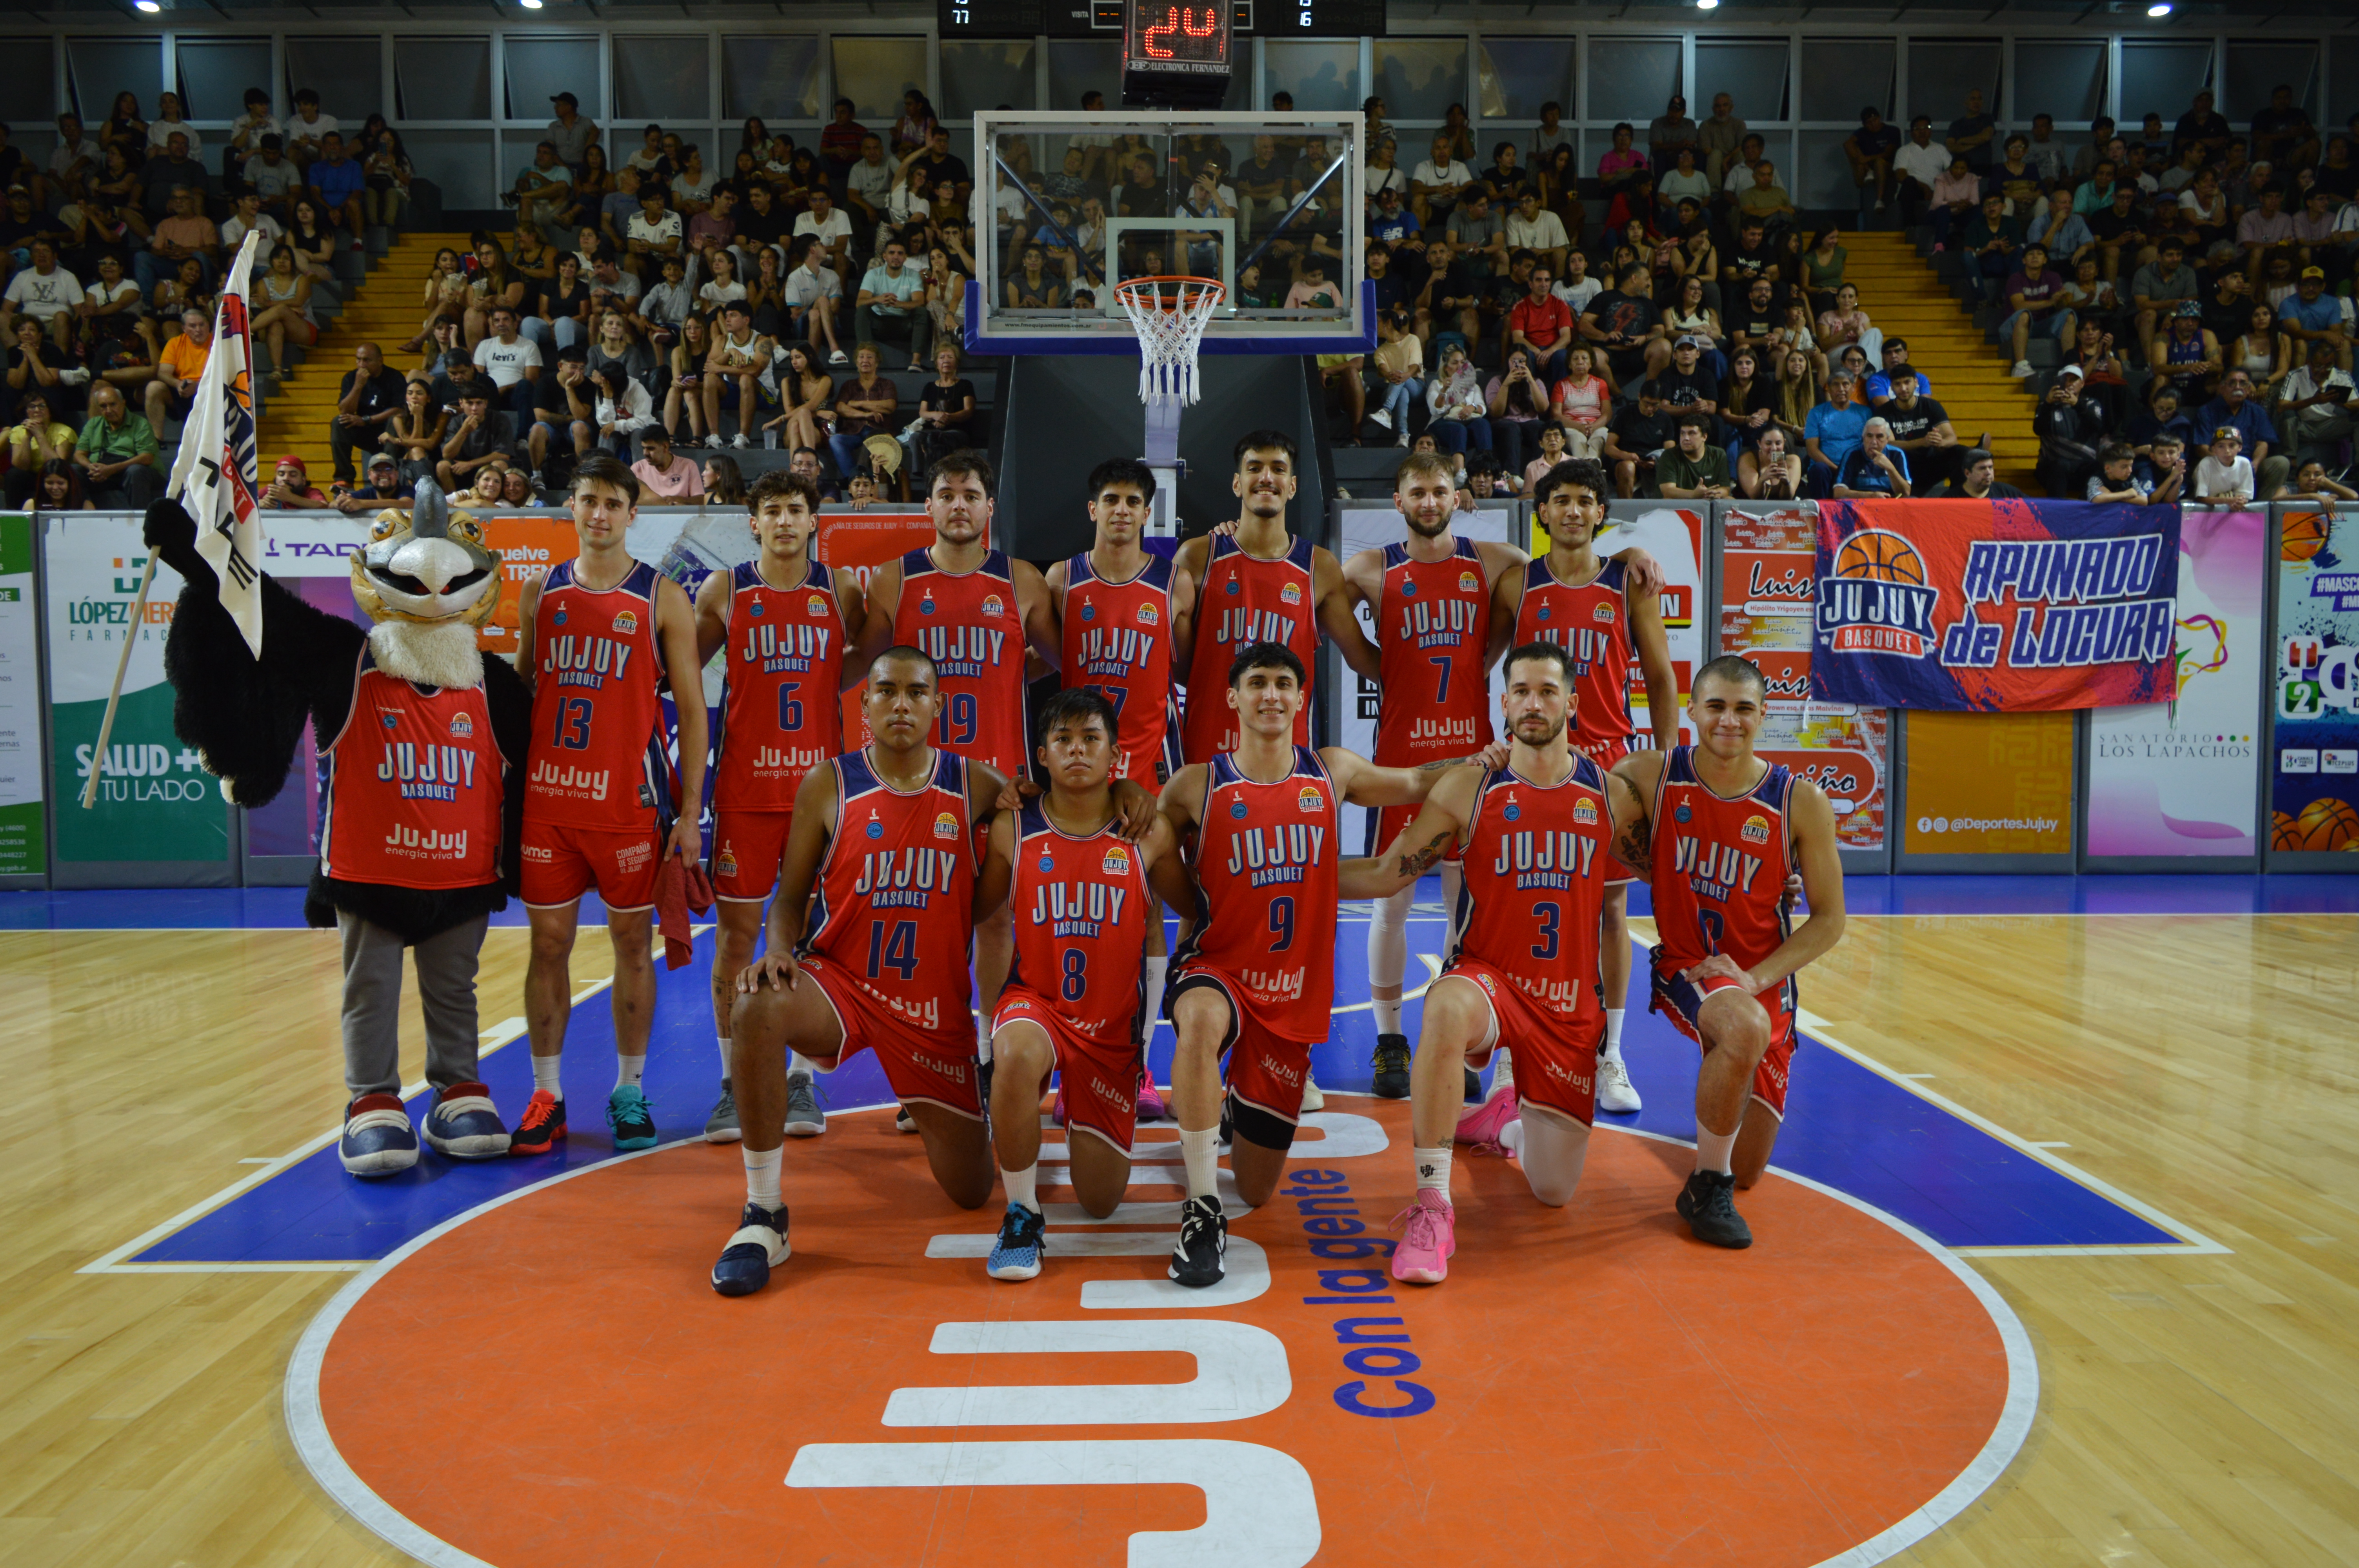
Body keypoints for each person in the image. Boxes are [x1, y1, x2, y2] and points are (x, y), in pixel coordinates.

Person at [1155, 641, 1470, 1287]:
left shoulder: (1332, 772)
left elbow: (1414, 783)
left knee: (1261, 1187)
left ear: (1301, 699)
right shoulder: (1195, 785)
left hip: (1291, 997)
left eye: (1283, 684)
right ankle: (1200, 1207)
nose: (1271, 694)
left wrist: (1487, 763)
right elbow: (1148, 841)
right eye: (1257, 684)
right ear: (1232, 699)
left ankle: (1239, 1107)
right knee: (1199, 1023)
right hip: (1217, 968)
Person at [712, 644, 1015, 1296]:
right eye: (886, 691)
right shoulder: (829, 782)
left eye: (915, 692)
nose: (900, 703)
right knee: (756, 1006)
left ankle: (937, 1098)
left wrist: (1126, 792)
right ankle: (764, 1213)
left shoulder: (979, 786)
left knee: (971, 1192)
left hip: (931, 1012)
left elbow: (1054, 818)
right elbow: (789, 898)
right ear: (866, 706)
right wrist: (778, 949)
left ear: (938, 706)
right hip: (842, 985)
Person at [1356, 639, 1652, 1281]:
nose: (1533, 703)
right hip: (1491, 984)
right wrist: (1293, 872)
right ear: (1503, 702)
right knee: (1444, 1005)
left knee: (1552, 1189)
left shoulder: (1611, 796)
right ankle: (1433, 1204)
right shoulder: (1473, 785)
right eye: (1520, 690)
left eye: (1548, 691)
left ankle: (1503, 1121)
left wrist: (1775, 888)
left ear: (1573, 703)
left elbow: (1675, 879)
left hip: (1570, 1012)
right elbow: (1389, 871)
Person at [1604, 657, 1844, 1248]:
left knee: (1753, 1171)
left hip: (1762, 975)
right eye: (1715, 706)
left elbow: (1831, 920)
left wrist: (1756, 975)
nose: (1728, 721)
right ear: (1692, 712)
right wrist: (1656, 871)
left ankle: (1724, 1150)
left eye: (1743, 709)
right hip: (1690, 963)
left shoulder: (1799, 801)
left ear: (1764, 715)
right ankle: (1703, 1185)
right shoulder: (1647, 776)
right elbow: (1584, 813)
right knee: (1740, 1026)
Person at [509, 455, 708, 1158]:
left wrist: (689, 816)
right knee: (549, 946)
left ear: (633, 513)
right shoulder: (542, 592)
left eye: (612, 503)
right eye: (587, 500)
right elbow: (521, 694)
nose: (599, 514)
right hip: (549, 808)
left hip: (628, 806)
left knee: (631, 946)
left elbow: (690, 709)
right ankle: (547, 1095)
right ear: (572, 507)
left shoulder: (661, 597)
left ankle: (628, 1090)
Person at [852, 450, 1061, 1078]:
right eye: (948, 494)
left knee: (997, 922)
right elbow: (869, 670)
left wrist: (1007, 679)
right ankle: (933, 1056)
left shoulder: (1020, 579)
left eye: (971, 494)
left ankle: (989, 1055)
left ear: (989, 507)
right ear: (930, 506)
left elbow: (1057, 658)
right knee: (928, 923)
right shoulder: (895, 578)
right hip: (921, 783)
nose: (960, 505)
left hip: (999, 784)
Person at [979, 687, 1190, 1279]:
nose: (1077, 750)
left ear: (1115, 755)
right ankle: (1022, 1213)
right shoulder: (1012, 830)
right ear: (1040, 756)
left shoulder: (1148, 833)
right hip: (1037, 1004)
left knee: (1101, 1202)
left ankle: (1077, 1100)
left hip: (1110, 1033)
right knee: (1015, 1054)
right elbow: (970, 913)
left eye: (1091, 739)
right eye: (1063, 740)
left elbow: (1196, 905)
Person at [1341, 452, 1533, 1099]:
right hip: (1400, 764)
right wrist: (1380, 667)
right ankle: (1390, 1041)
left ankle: (1452, 1040)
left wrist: (1626, 564)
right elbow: (1326, 608)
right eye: (1418, 492)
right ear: (1397, 501)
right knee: (1390, 901)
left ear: (1460, 497)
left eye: (1440, 491)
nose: (1430, 501)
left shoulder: (1495, 560)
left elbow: (1566, 570)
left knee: (1463, 910)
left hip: (1472, 763)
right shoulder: (1372, 568)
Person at [691, 468, 865, 1145]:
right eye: (773, 511)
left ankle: (799, 1078)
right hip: (744, 794)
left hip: (819, 800)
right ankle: (734, 1085)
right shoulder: (725, 589)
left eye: (797, 509)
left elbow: (858, 668)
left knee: (813, 940)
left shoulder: (840, 590)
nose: (786, 521)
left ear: (814, 520)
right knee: (738, 940)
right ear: (754, 522)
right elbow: (684, 669)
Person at [1041, 459, 1200, 1116]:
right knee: (1065, 915)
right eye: (1110, 499)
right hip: (1079, 767)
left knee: (1148, 916)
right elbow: (1053, 661)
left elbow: (1186, 664)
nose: (1122, 511)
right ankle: (1065, 1059)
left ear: (1147, 512)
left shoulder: (1174, 583)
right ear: (1092, 509)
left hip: (1146, 766)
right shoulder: (1062, 580)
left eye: (1134, 501)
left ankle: (1137, 1065)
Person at [1174, 430, 1377, 763]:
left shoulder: (1319, 567)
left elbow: (1361, 657)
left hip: (1288, 759)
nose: (1266, 478)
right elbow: (1181, 668)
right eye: (1254, 468)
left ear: (1293, 486)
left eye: (1278, 469)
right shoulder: (1197, 557)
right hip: (1208, 757)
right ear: (1237, 484)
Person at [2195, 369, 2290, 499]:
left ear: (2249, 388)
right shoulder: (2207, 411)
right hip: (2218, 466)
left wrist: (2255, 464)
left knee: (2280, 463)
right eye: (2232, 383)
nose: (2238, 387)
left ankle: (2262, 509)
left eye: (2243, 384)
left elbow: (2262, 444)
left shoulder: (2257, 411)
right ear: (2222, 387)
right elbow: (2202, 448)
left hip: (2249, 466)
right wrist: (2227, 464)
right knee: (2208, 464)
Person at [71, 382, 160, 508]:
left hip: (131, 472)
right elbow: (78, 454)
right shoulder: (93, 424)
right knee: (74, 471)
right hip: (100, 473)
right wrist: (92, 468)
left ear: (123, 402)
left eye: (113, 404)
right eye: (103, 406)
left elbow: (147, 457)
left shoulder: (140, 424)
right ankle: (81, 518)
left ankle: (140, 522)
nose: (109, 410)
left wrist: (111, 469)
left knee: (136, 471)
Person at [2275, 338, 2356, 466]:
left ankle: (2357, 468)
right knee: (2287, 416)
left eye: (2328, 366)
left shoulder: (2342, 376)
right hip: (2304, 426)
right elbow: (2281, 407)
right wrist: (2313, 401)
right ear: (2309, 363)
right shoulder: (2296, 375)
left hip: (2332, 426)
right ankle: (2292, 464)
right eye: (2318, 366)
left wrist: (2341, 403)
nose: (2323, 370)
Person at [144, 306, 210, 434]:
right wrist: (178, 384)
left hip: (209, 391)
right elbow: (163, 373)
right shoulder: (175, 343)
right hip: (182, 390)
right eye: (193, 326)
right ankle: (157, 440)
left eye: (202, 325)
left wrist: (197, 387)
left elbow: (224, 376)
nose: (198, 330)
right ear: (184, 329)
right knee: (154, 387)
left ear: (209, 326)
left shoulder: (218, 343)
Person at [1803, 370, 1870, 494]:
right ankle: (1820, 512)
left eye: (1845, 384)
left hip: (1856, 469)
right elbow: (1812, 450)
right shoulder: (1816, 413)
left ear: (1853, 387)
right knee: (1819, 470)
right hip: (1826, 469)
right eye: (1836, 385)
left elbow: (1870, 444)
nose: (1841, 389)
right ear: (1828, 388)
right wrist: (1837, 469)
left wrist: (1848, 470)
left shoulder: (1865, 413)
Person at [1833, 416, 1912, 499]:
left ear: (1887, 440)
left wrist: (1890, 469)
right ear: (1864, 438)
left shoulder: (1897, 454)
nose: (1874, 442)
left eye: (1880, 437)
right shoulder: (1852, 454)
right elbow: (1838, 492)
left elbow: (1906, 493)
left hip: (1890, 503)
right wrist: (1871, 496)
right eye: (1870, 436)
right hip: (1860, 504)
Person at [2192, 425, 2255, 505]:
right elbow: (2200, 498)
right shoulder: (2206, 464)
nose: (2227, 451)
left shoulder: (2245, 464)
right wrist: (2228, 501)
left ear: (2240, 447)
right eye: (2221, 446)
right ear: (2213, 449)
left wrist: (2238, 503)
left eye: (2232, 446)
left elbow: (2245, 497)